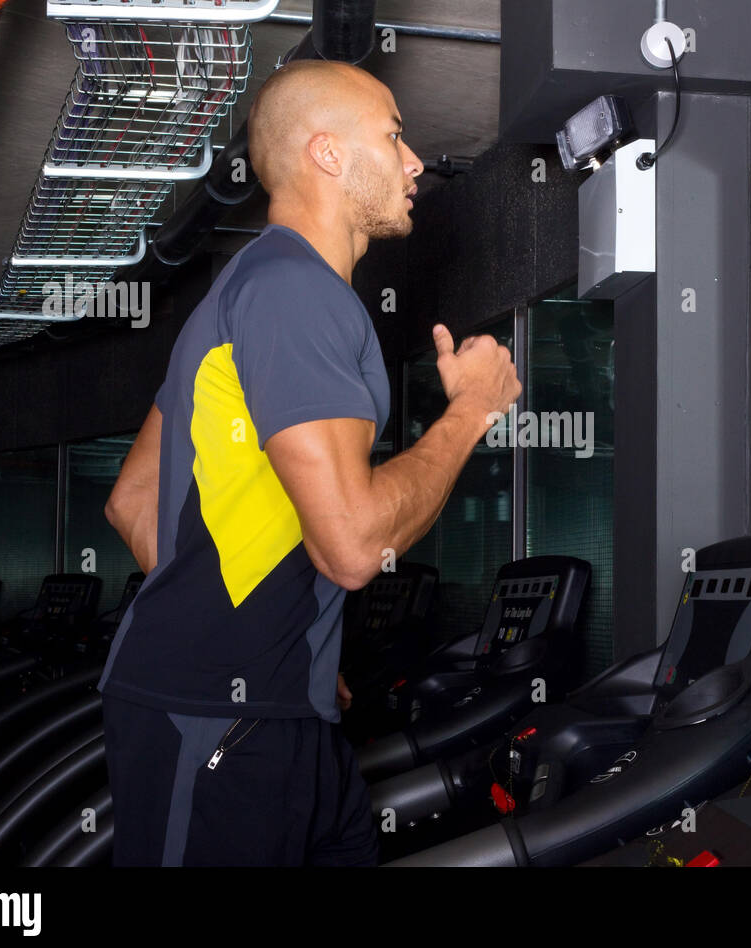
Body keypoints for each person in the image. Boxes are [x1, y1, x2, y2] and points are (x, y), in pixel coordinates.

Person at [97, 59, 521, 866]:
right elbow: (356, 546)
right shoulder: (299, 293)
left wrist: (272, 645)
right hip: (219, 721)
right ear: (326, 154)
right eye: (393, 136)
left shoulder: (243, 291)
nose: (414, 161)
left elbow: (135, 498)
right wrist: (473, 411)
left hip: (271, 707)